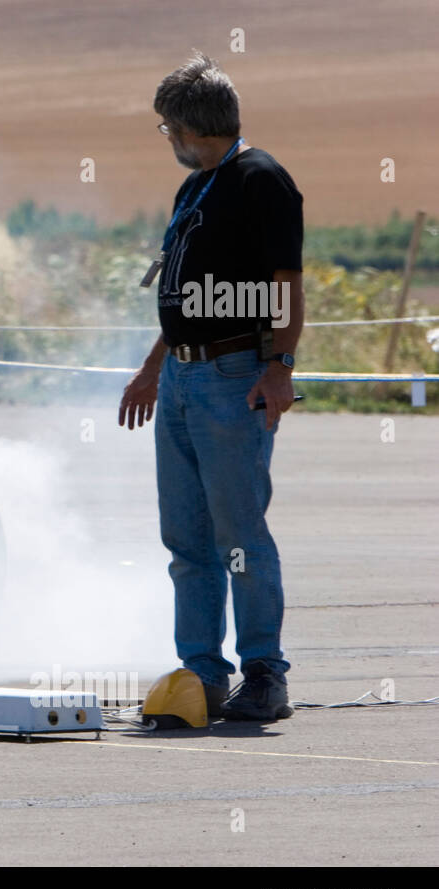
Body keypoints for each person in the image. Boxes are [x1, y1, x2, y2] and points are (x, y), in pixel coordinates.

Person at [118, 53, 304, 721]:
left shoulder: (261, 180)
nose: (167, 138)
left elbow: (286, 284)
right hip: (181, 376)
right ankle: (201, 671)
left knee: (239, 535)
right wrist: (151, 368)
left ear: (190, 128)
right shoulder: (197, 186)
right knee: (187, 537)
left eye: (167, 127)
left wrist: (280, 366)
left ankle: (264, 673)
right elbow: (184, 293)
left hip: (235, 378)